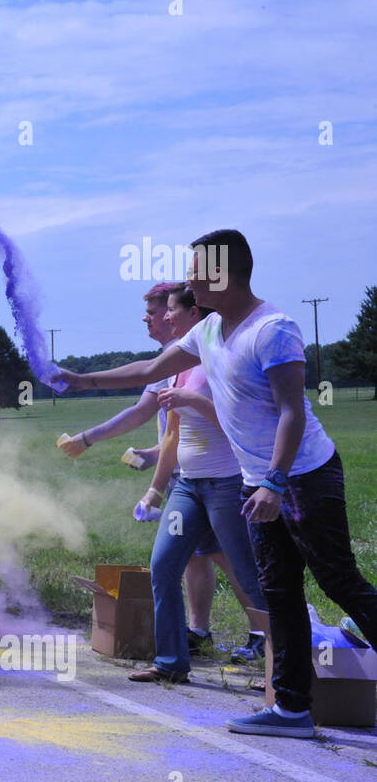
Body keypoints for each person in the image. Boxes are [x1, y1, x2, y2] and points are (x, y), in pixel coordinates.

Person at [56, 229, 377, 737]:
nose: (188, 283)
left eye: (197, 273)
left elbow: (292, 411)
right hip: (257, 482)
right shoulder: (206, 333)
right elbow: (151, 369)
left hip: (304, 476)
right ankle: (291, 708)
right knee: (281, 591)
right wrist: (80, 381)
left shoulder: (273, 328)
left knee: (339, 582)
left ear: (225, 275)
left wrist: (274, 481)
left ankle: (294, 701)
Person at [57, 282, 229, 654]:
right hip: (184, 474)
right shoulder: (177, 360)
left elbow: (151, 413)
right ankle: (195, 635)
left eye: (159, 311)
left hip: (208, 476)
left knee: (224, 557)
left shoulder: (189, 358)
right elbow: (171, 430)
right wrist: (154, 456)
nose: (153, 318)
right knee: (197, 555)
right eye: (155, 311)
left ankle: (262, 636)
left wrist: (87, 436)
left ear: (184, 316)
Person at [128, 285, 268, 683]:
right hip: (188, 487)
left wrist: (192, 402)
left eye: (172, 310)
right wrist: (156, 490)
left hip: (226, 484)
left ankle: (285, 660)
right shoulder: (178, 364)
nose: (166, 316)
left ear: (195, 314)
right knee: (164, 565)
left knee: (247, 572)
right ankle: (171, 662)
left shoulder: (220, 358)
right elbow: (171, 435)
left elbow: (239, 421)